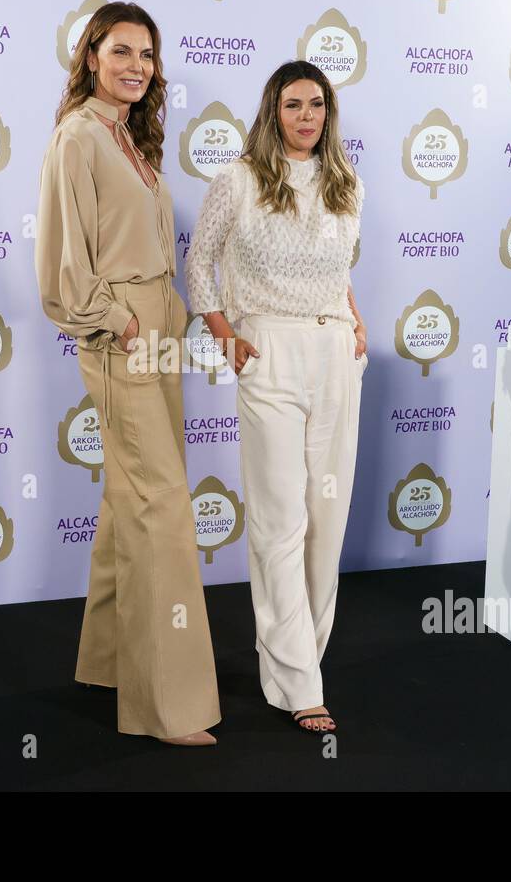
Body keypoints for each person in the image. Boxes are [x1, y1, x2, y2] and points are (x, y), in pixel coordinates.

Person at [34, 1, 221, 747]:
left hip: (158, 324)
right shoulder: (77, 137)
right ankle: (162, 707)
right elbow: (62, 267)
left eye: (147, 54)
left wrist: (163, 316)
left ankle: (110, 663)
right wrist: (121, 321)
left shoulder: (127, 138)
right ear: (90, 57)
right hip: (123, 331)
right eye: (121, 51)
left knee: (130, 497)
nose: (136, 66)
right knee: (163, 507)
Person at [186, 60, 366, 734]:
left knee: (327, 519)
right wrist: (226, 332)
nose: (306, 116)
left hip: (336, 352)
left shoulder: (348, 184)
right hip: (269, 350)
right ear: (272, 111)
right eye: (293, 104)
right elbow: (199, 260)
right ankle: (298, 684)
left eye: (317, 104)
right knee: (279, 520)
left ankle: (299, 659)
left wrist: (356, 316)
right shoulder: (237, 180)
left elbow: (341, 264)